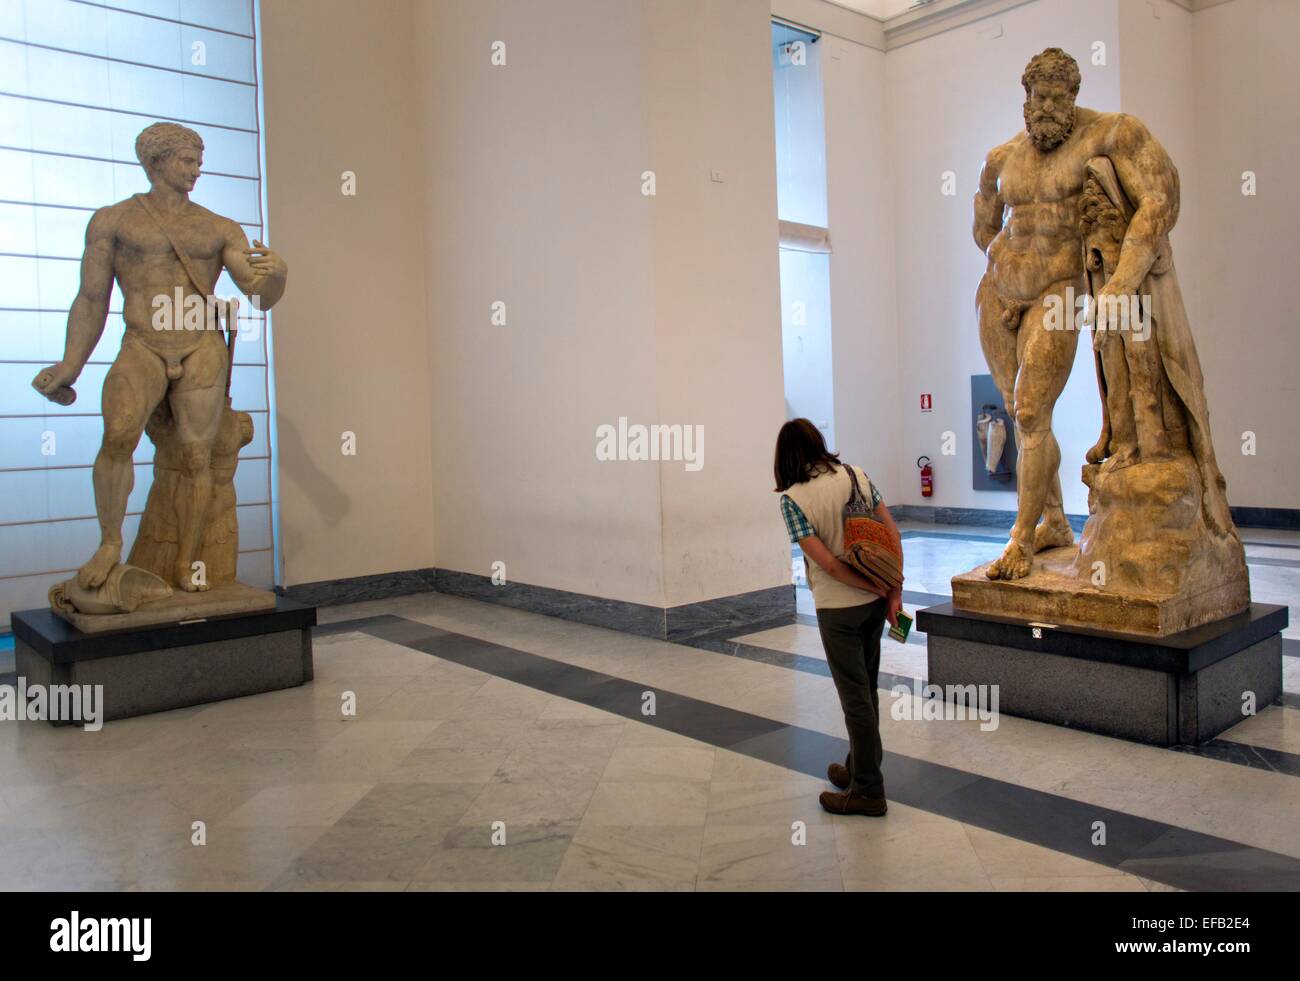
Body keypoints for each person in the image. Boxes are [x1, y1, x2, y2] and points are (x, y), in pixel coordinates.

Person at [31, 122, 288, 592]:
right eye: (186, 161)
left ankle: (188, 561)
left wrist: (278, 276)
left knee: (196, 457)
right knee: (117, 436)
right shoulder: (114, 220)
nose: (195, 170)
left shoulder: (217, 227)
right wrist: (70, 366)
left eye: (198, 161)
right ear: (155, 162)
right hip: (144, 342)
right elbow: (91, 299)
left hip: (200, 346)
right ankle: (110, 544)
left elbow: (257, 296)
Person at [775, 419, 903, 817]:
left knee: (854, 699)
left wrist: (866, 588)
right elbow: (892, 535)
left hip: (838, 610)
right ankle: (858, 768)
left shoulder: (793, 500)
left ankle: (868, 791)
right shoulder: (857, 475)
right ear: (819, 444)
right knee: (866, 689)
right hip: (875, 604)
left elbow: (828, 564)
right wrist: (890, 592)